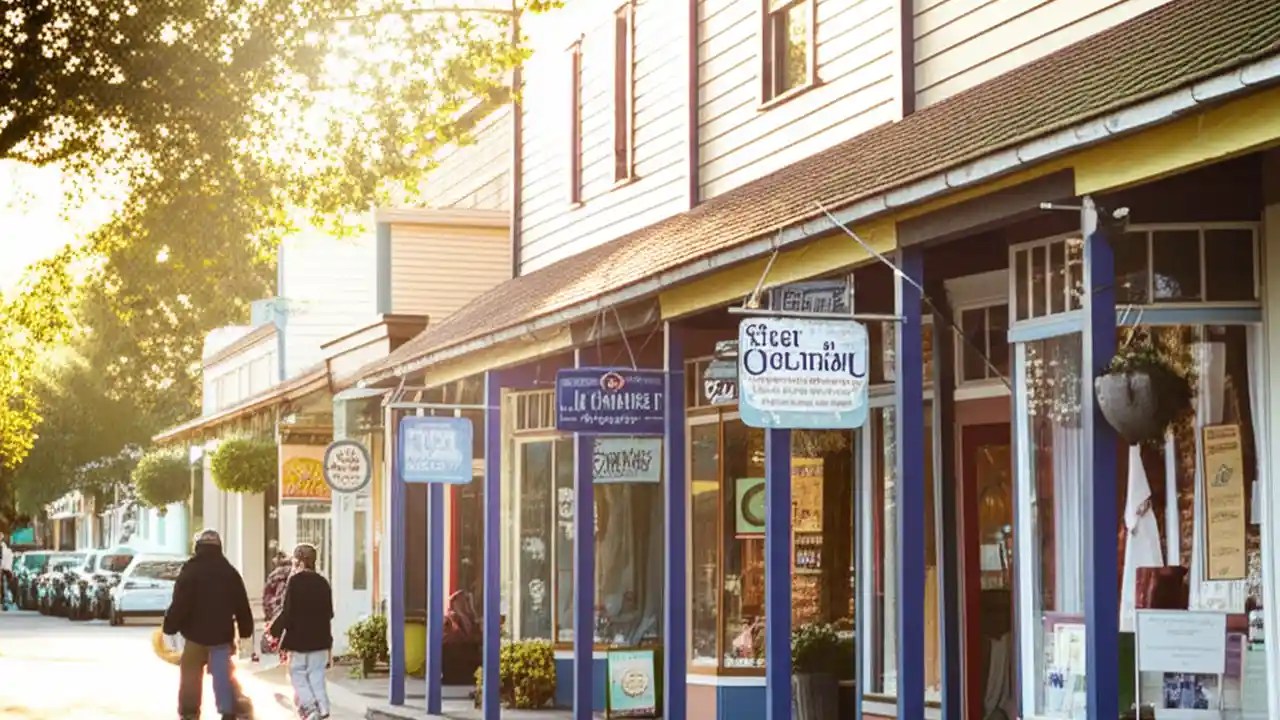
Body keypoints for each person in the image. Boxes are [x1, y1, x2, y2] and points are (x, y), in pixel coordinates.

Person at [163, 529, 256, 720]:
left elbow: (180, 603)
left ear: (197, 547)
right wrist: (246, 633)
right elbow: (242, 605)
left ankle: (189, 713)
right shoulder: (229, 572)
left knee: (190, 677)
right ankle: (228, 711)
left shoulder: (190, 570)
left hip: (194, 637)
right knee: (223, 677)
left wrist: (169, 628)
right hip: (221, 637)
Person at [268, 543, 333, 720]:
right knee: (317, 675)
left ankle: (310, 707)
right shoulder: (323, 583)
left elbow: (287, 611)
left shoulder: (295, 581)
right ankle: (323, 707)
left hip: (299, 641)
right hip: (320, 640)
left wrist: (274, 631)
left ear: (301, 562)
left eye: (294, 562)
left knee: (297, 674)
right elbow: (329, 613)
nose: (293, 566)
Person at [261, 552, 293, 657]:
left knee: (275, 631)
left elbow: (267, 595)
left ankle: (278, 650)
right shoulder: (292, 573)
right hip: (286, 607)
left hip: (275, 607)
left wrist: (268, 611)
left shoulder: (273, 575)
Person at [0, 539, 14, 611]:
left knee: (4, 586)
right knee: (6, 586)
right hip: (7, 570)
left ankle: (5, 601)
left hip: (4, 570)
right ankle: (6, 601)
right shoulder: (9, 551)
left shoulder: (6, 551)